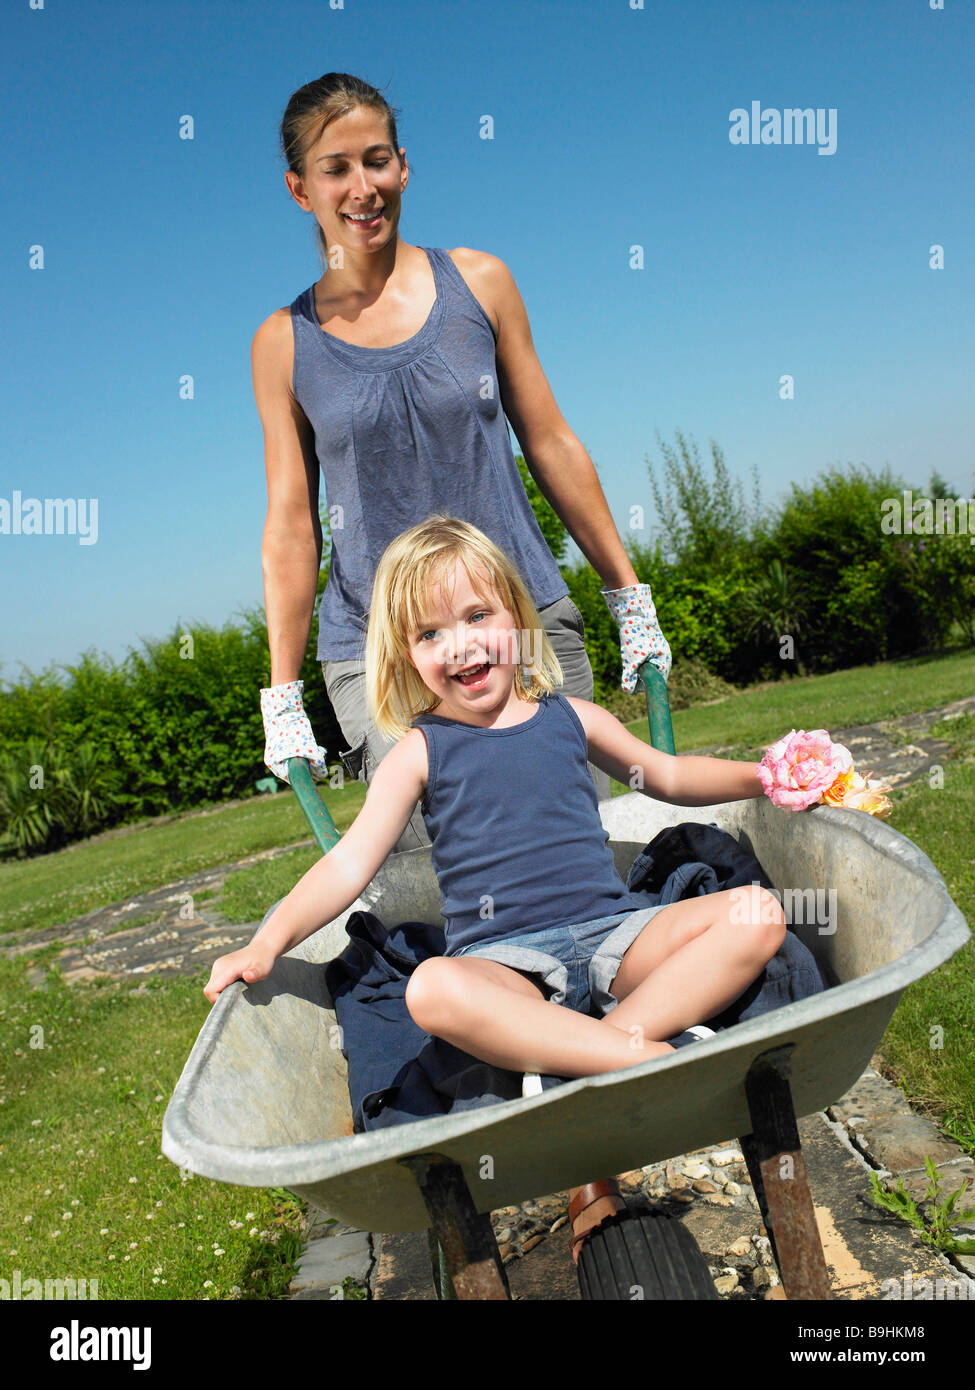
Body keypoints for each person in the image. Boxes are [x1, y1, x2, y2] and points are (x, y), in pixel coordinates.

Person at [207, 517, 789, 1078]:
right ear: (406, 653)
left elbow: (668, 775)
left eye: (477, 615)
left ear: (515, 614)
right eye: (430, 633)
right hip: (509, 966)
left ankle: (606, 1052)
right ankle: (643, 1058)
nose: (459, 645)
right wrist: (267, 943)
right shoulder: (419, 751)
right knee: (432, 989)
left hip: (619, 940)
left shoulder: (573, 719)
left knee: (756, 913)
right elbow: (350, 862)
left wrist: (765, 775)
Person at [254, 72, 671, 850]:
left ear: (403, 166)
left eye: (376, 160)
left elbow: (549, 440)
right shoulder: (283, 342)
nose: (362, 187)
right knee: (445, 893)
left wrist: (627, 593)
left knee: (592, 855)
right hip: (383, 654)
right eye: (334, 168)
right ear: (298, 189)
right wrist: (282, 693)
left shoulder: (478, 283)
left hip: (517, 618)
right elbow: (290, 523)